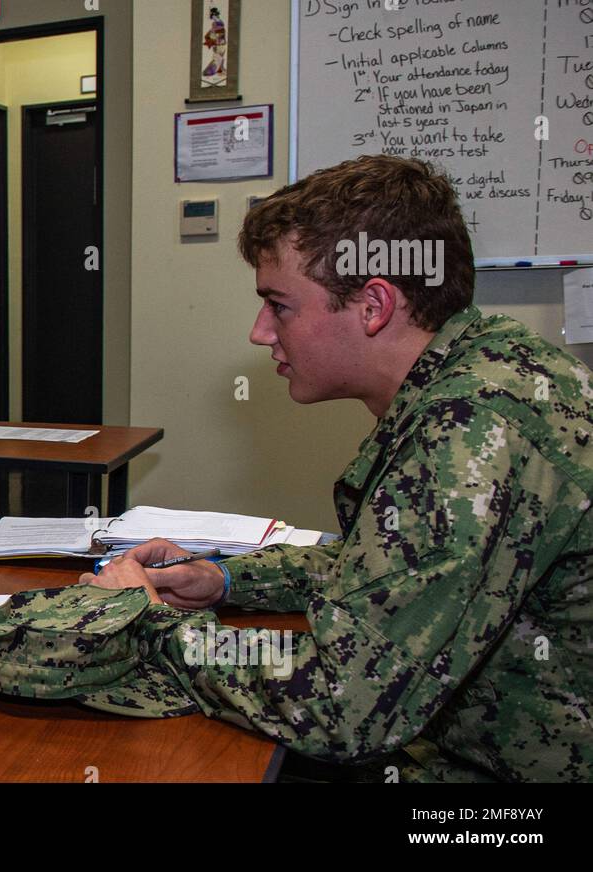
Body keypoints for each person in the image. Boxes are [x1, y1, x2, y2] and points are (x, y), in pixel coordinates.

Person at [88, 155, 592, 782]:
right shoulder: (493, 365)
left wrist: (151, 622)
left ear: (374, 305)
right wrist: (223, 580)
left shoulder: (470, 430)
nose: (260, 332)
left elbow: (341, 706)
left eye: (280, 305)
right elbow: (388, 569)